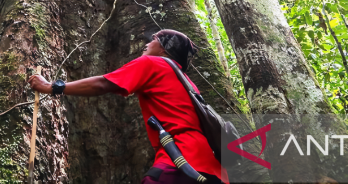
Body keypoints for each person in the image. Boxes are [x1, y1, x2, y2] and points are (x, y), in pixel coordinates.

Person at [27, 29, 225, 184]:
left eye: (154, 40)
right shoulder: (188, 82)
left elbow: (103, 84)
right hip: (214, 169)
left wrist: (52, 87)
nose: (147, 44)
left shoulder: (153, 63)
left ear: (164, 49)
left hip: (180, 160)